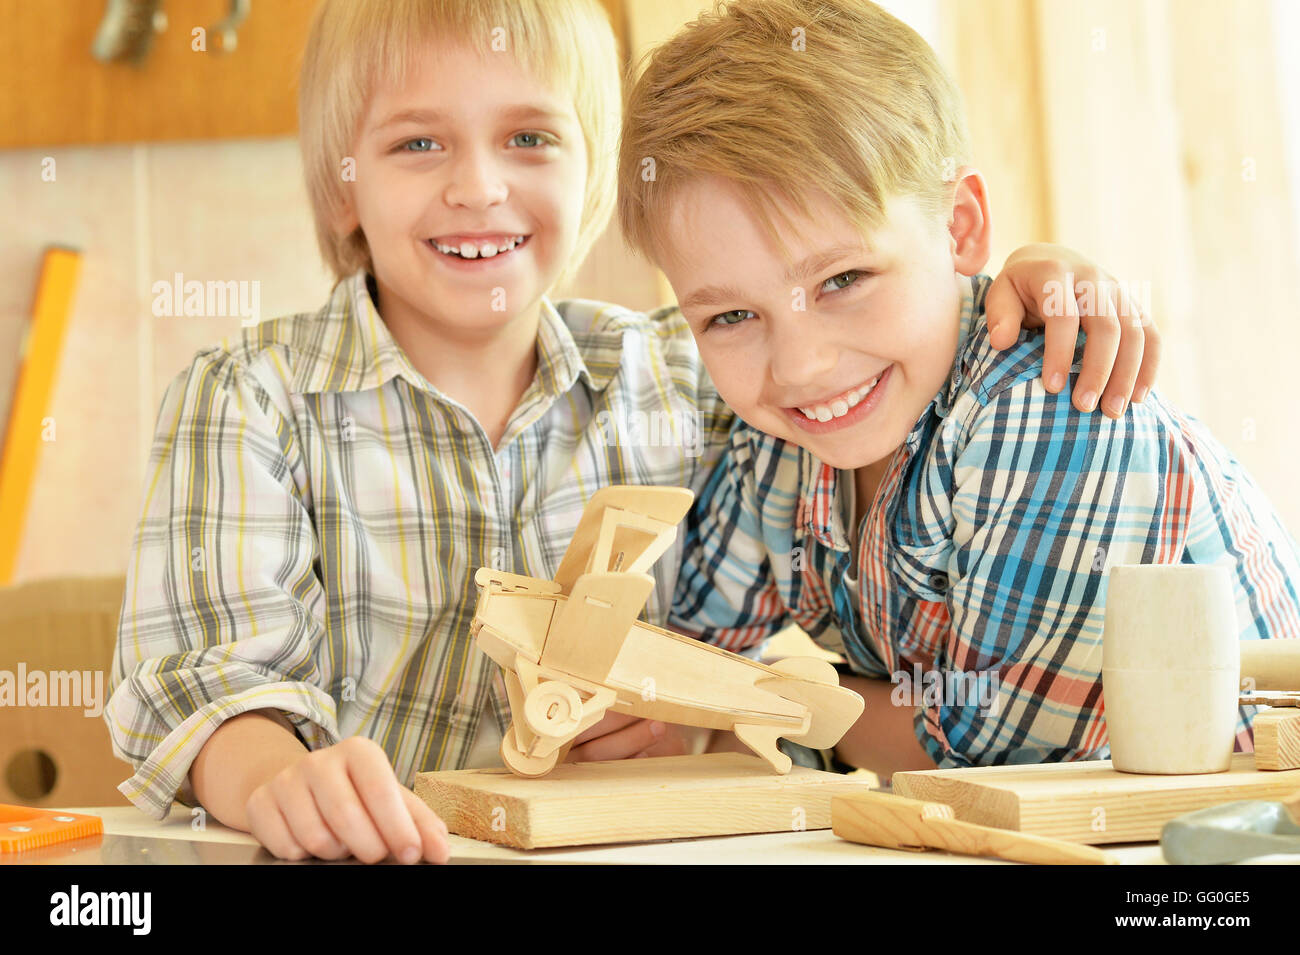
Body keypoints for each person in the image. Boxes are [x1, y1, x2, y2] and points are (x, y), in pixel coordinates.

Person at [106, 0, 1157, 863]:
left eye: (529, 138)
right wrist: (275, 776)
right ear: (345, 191)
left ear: (597, 172)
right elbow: (199, 683)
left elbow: (844, 363)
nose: (477, 185)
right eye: (417, 142)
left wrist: (1022, 276)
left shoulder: (687, 368)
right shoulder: (249, 396)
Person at [615, 0, 1300, 780]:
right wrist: (688, 707)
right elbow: (677, 673)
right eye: (733, 315)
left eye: (843, 278)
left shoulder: (1049, 405)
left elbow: (990, 770)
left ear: (960, 227)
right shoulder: (776, 441)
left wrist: (775, 702)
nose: (800, 364)